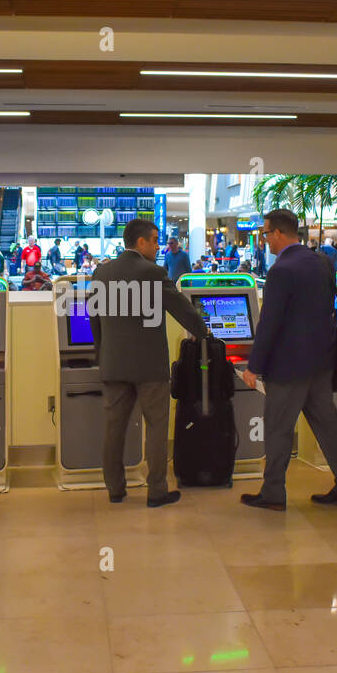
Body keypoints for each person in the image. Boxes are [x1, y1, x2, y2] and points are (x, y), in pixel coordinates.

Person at [240, 208, 337, 511]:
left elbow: (270, 323)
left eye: (266, 233)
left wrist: (254, 365)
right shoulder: (322, 262)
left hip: (288, 367)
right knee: (328, 424)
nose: (265, 240)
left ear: (279, 233)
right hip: (321, 363)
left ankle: (273, 493)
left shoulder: (282, 270)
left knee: (279, 429)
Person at [91, 218, 208, 508]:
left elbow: (94, 319)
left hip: (114, 363)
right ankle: (156, 492)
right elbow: (182, 308)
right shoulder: (153, 272)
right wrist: (204, 332)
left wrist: (101, 353)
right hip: (150, 366)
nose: (158, 246)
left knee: (113, 427)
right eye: (154, 240)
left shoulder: (101, 272)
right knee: (156, 426)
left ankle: (115, 490)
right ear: (140, 242)